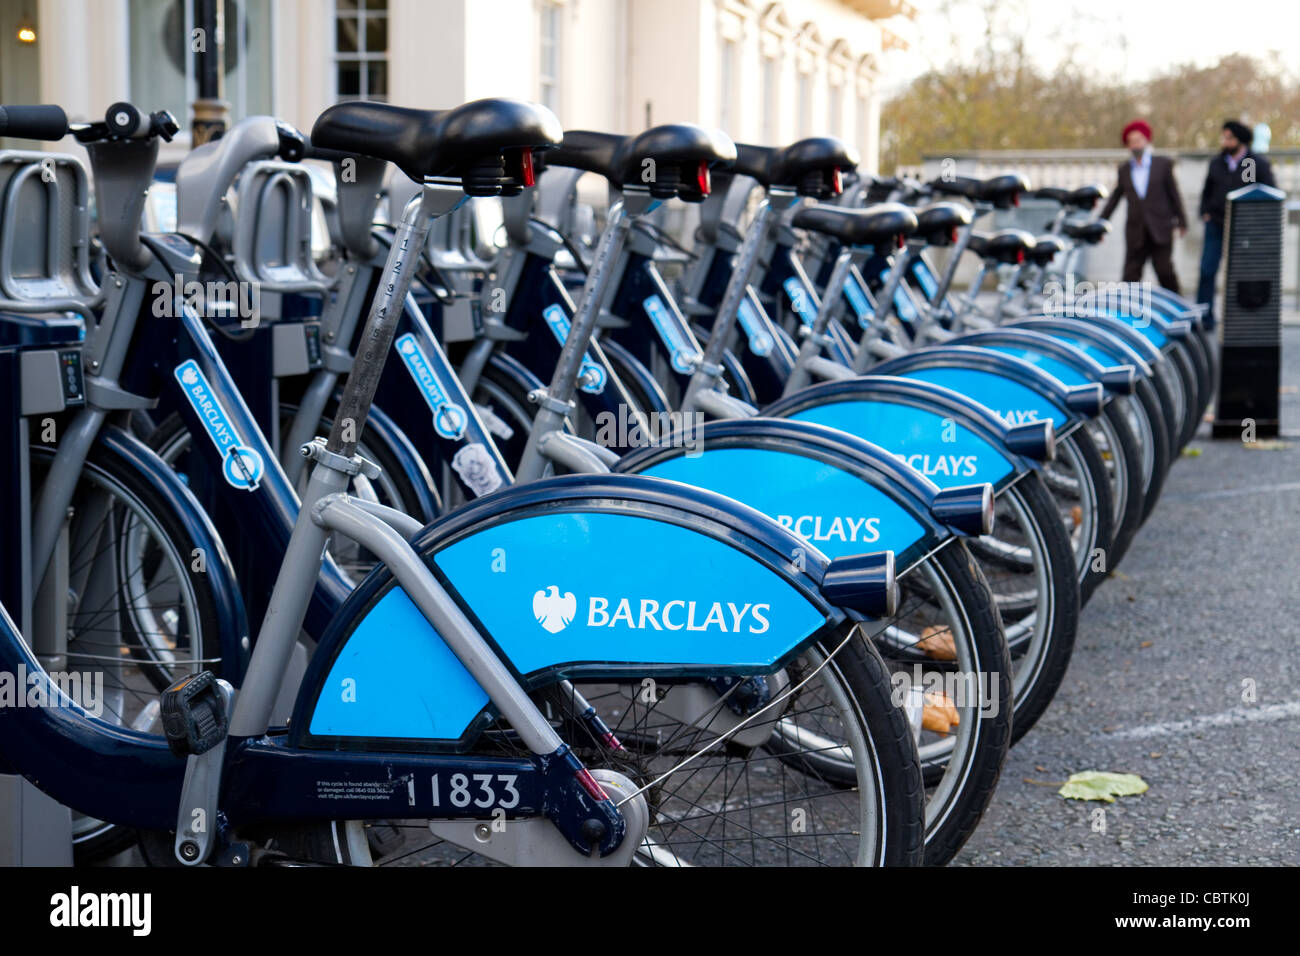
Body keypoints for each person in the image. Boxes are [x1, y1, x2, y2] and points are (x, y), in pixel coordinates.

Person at [1196, 120, 1277, 328]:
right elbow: (1207, 192)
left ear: (1240, 140)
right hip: (1215, 223)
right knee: (1207, 269)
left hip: (1243, 228)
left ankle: (1240, 317)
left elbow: (1268, 193)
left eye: (1229, 137)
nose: (1225, 141)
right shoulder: (1217, 163)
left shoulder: (1254, 163)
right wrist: (1205, 212)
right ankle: (1205, 317)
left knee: (1241, 273)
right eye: (1224, 137)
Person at [1098, 119, 1188, 292]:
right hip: (1136, 231)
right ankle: (1126, 313)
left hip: (1160, 228)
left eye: (1138, 140)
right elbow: (1115, 199)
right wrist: (1100, 224)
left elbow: (1174, 194)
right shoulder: (1124, 169)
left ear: (1146, 141)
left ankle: (1180, 310)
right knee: (1130, 275)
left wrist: (1182, 221)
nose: (1135, 145)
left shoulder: (1162, 165)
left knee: (1165, 271)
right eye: (1131, 142)